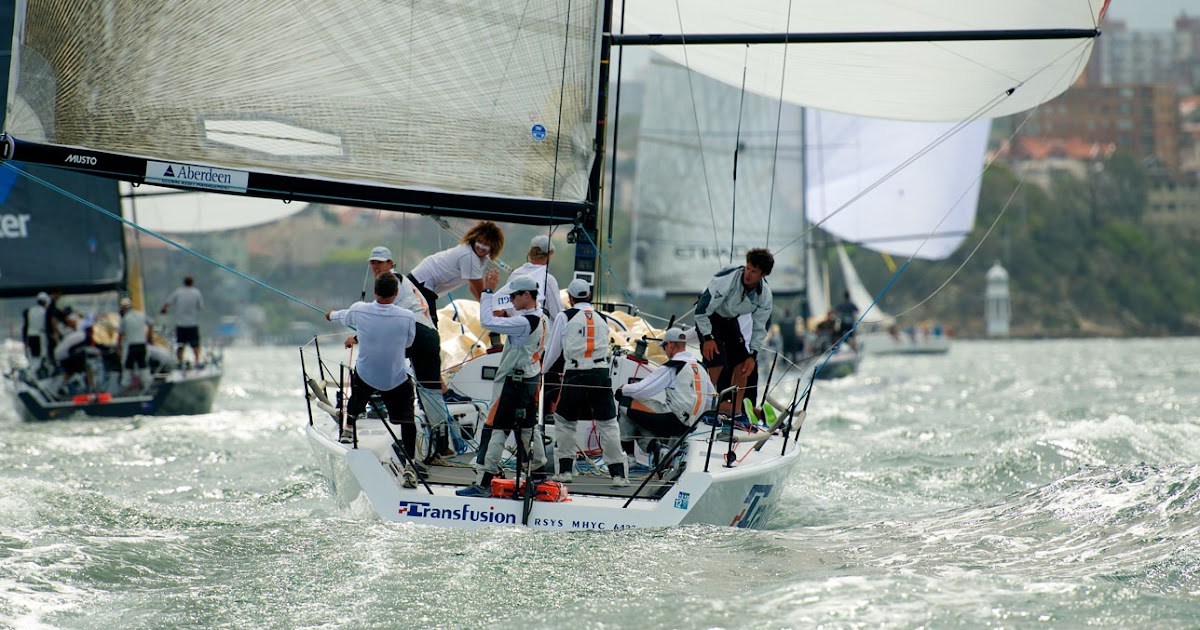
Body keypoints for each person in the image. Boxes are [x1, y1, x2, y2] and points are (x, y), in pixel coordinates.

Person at [456, 271, 549, 497]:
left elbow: (487, 321)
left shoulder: (524, 322)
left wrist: (487, 293)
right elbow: (513, 318)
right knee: (527, 427)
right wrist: (505, 309)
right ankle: (538, 471)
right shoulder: (541, 316)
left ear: (527, 295)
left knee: (495, 428)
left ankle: (486, 480)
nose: (512, 300)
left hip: (513, 383)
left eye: (515, 296)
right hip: (530, 380)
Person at [325, 272, 422, 487]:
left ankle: (349, 425)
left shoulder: (359, 309)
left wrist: (329, 314)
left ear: (375, 292)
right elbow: (408, 344)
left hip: (367, 376)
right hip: (395, 379)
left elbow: (338, 315)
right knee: (407, 421)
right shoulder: (407, 316)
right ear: (396, 293)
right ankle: (410, 466)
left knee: (360, 379)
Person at [541, 278, 626, 487]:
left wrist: (542, 371)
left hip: (575, 373)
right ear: (589, 295)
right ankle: (619, 475)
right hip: (600, 374)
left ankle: (565, 471)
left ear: (569, 297)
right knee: (608, 424)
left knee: (565, 421)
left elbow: (554, 348)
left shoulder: (564, 316)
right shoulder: (602, 318)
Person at [617, 327, 715, 466]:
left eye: (664, 347)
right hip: (691, 424)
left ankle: (629, 458)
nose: (665, 351)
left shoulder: (674, 366)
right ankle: (659, 449)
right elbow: (710, 400)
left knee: (626, 403)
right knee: (641, 414)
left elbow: (644, 389)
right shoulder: (701, 367)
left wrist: (622, 390)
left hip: (673, 419)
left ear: (670, 344)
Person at [694, 248, 774, 415]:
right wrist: (708, 337)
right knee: (716, 359)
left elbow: (760, 327)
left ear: (763, 275)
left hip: (729, 319)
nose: (748, 274)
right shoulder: (727, 279)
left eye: (754, 271)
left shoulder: (764, 295)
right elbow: (702, 310)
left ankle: (736, 411)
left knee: (743, 364)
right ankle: (703, 405)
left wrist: (753, 355)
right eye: (748, 268)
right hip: (709, 316)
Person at [407, 221, 505, 326]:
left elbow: (473, 288)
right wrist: (494, 310)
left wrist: (488, 309)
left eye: (486, 244)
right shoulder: (469, 257)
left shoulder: (481, 259)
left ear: (494, 246)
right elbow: (480, 291)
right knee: (429, 326)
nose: (481, 246)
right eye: (479, 241)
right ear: (474, 239)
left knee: (426, 325)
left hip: (423, 284)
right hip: (422, 282)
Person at [495, 234, 563, 320]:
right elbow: (557, 313)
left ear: (530, 253)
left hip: (516, 329)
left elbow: (507, 307)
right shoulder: (549, 280)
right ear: (549, 254)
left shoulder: (514, 275)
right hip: (540, 331)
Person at [160, 276, 204, 366]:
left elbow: (167, 303)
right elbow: (200, 307)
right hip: (192, 324)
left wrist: (163, 310)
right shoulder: (196, 293)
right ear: (192, 283)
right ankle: (197, 361)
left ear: (184, 282)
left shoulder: (178, 292)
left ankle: (180, 362)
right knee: (195, 345)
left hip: (180, 324)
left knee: (180, 345)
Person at [117, 297, 153, 391]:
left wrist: (118, 347)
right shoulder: (141, 315)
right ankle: (147, 386)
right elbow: (151, 323)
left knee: (128, 367)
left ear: (123, 308)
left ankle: (125, 386)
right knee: (143, 366)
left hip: (131, 346)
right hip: (142, 345)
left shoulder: (125, 318)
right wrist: (148, 336)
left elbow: (120, 334)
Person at [21, 292, 50, 374]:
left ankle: (32, 371)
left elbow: (25, 326)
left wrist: (24, 339)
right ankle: (36, 373)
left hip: (30, 336)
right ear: (45, 301)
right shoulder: (45, 312)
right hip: (41, 336)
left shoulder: (29, 310)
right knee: (41, 356)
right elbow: (48, 326)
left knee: (33, 356)